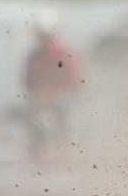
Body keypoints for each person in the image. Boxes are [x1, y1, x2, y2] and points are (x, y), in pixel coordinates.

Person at [22, 10, 84, 154]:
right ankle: (39, 151)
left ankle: (62, 149)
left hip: (63, 97)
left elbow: (72, 80)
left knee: (60, 117)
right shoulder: (34, 55)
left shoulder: (63, 52)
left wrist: (50, 94)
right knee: (33, 117)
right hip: (43, 99)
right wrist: (39, 95)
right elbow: (28, 81)